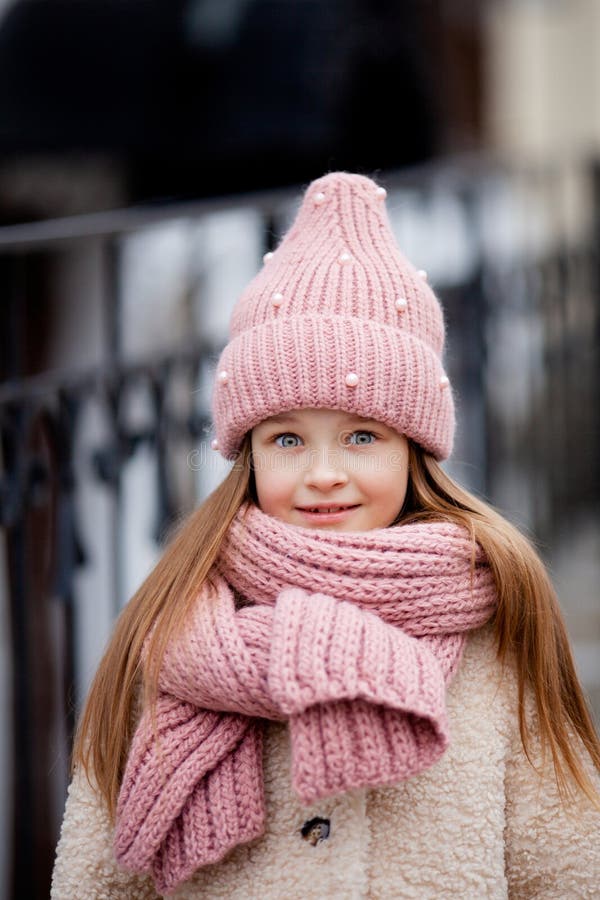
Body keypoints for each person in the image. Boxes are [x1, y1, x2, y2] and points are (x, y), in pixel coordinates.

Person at [52, 172, 600, 899]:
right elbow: (96, 880)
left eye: (362, 436)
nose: (322, 473)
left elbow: (564, 866)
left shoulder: (497, 621)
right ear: (246, 450)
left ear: (415, 448)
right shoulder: (171, 630)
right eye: (285, 439)